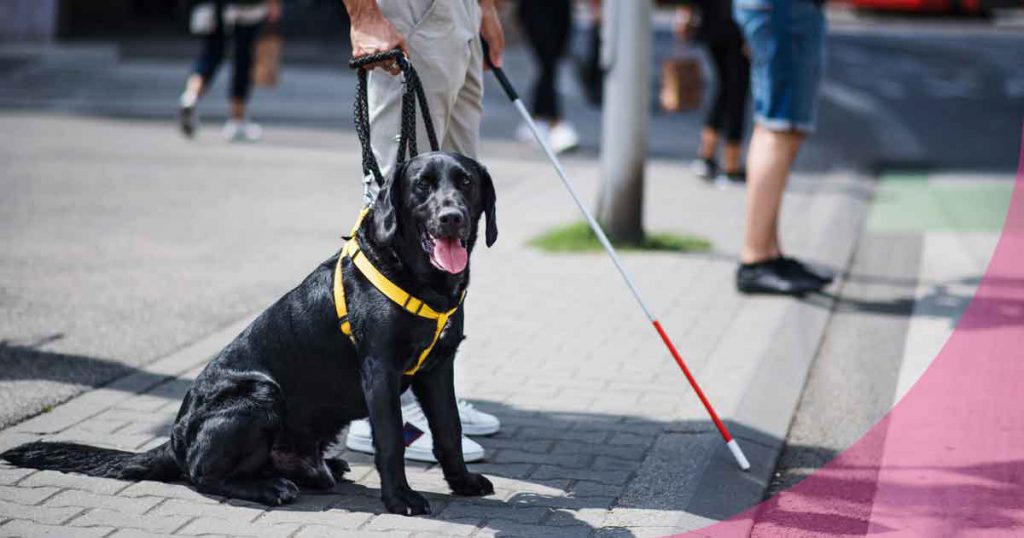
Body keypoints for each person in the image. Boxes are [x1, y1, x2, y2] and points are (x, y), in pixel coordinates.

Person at [339, 0, 506, 462]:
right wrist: (364, 14)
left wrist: (483, 8)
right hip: (407, 12)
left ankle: (433, 394)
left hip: (460, 15)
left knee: (455, 205)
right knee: (398, 211)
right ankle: (383, 409)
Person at [732, 0, 833, 295]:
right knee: (778, 127)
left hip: (785, 10)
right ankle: (756, 259)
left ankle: (768, 252)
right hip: (783, 10)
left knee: (782, 127)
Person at [178, 0, 281, 142]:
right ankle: (237, 120)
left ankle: (190, 96)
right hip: (247, 9)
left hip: (219, 7)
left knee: (211, 55)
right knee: (243, 61)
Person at [678, 0, 749, 183]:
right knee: (735, 90)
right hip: (736, 24)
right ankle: (730, 161)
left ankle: (707, 154)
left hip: (714, 20)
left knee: (725, 88)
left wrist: (685, 12)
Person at [515, 0, 579, 154]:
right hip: (534, 7)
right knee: (547, 62)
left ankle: (536, 119)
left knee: (552, 64)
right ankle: (555, 122)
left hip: (561, 7)